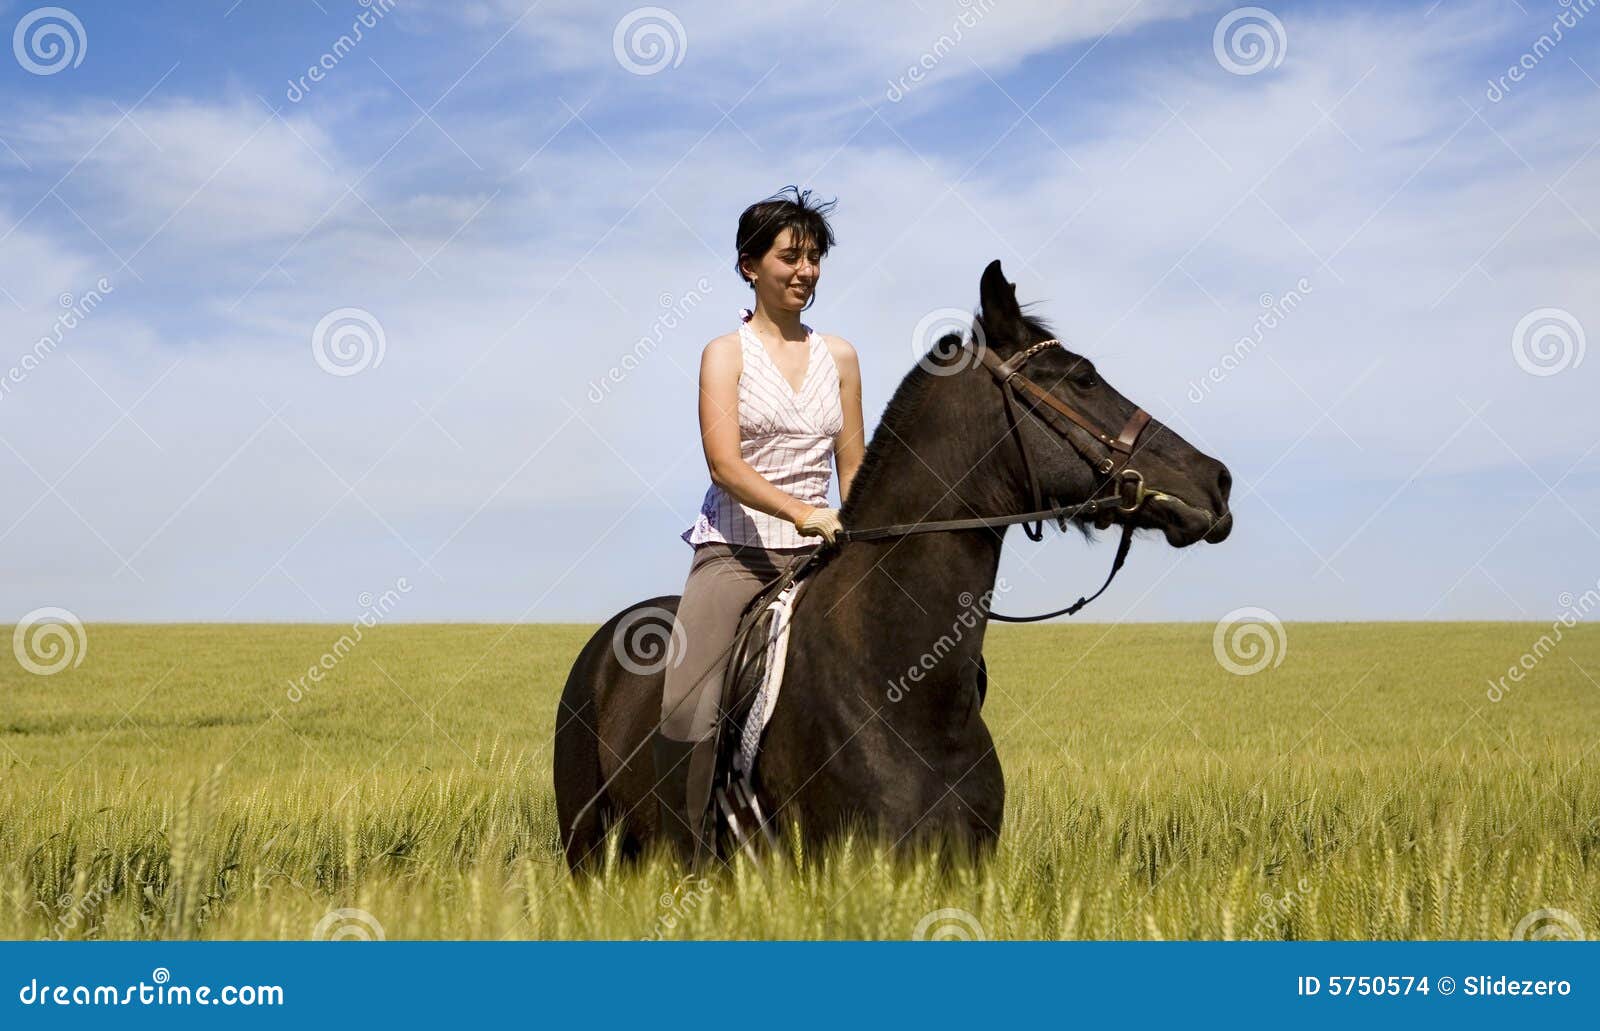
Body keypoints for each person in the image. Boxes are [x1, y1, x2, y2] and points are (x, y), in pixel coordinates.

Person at [654, 186, 866, 866]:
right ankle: (693, 857)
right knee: (689, 702)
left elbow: (853, 468)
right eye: (790, 257)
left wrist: (863, 532)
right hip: (737, 554)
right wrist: (804, 511)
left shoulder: (841, 357)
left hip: (821, 556)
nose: (805, 271)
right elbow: (725, 465)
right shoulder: (726, 354)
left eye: (815, 258)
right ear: (750, 266)